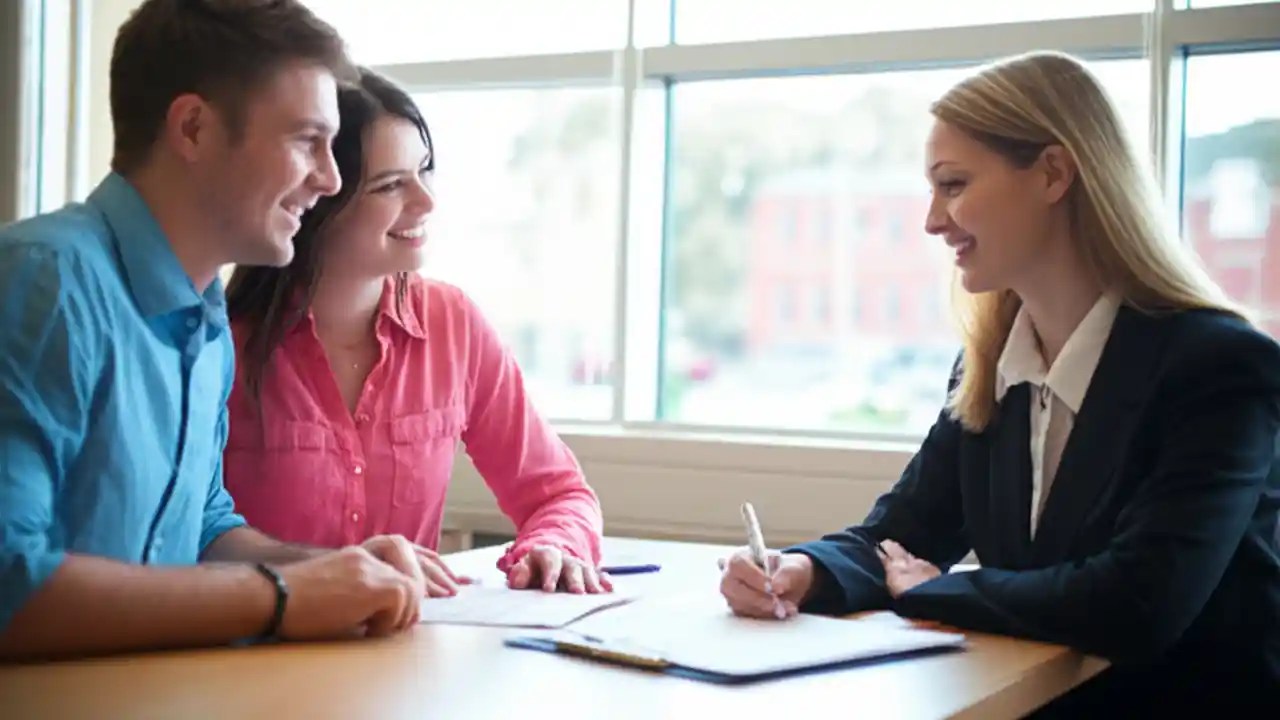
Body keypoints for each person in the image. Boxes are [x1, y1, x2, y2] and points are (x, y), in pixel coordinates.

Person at [719, 51, 1279, 710]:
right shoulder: (988, 366)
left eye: (953, 185)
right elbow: (902, 534)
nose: (932, 220)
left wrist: (934, 591)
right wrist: (802, 572)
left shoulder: (1219, 367)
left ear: (1052, 173)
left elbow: (1140, 602)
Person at [0, 0, 437, 661]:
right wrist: (283, 596)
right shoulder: (46, 281)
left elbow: (203, 532)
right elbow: (8, 578)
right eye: (306, 140)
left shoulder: (206, 324)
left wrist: (333, 568)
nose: (331, 178)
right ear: (195, 129)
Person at [222, 68, 610, 596]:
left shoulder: (453, 325)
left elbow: (559, 493)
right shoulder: (222, 345)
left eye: (425, 171)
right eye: (390, 185)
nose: (425, 201)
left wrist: (556, 545)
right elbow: (194, 539)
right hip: (255, 659)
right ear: (320, 200)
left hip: (409, 656)